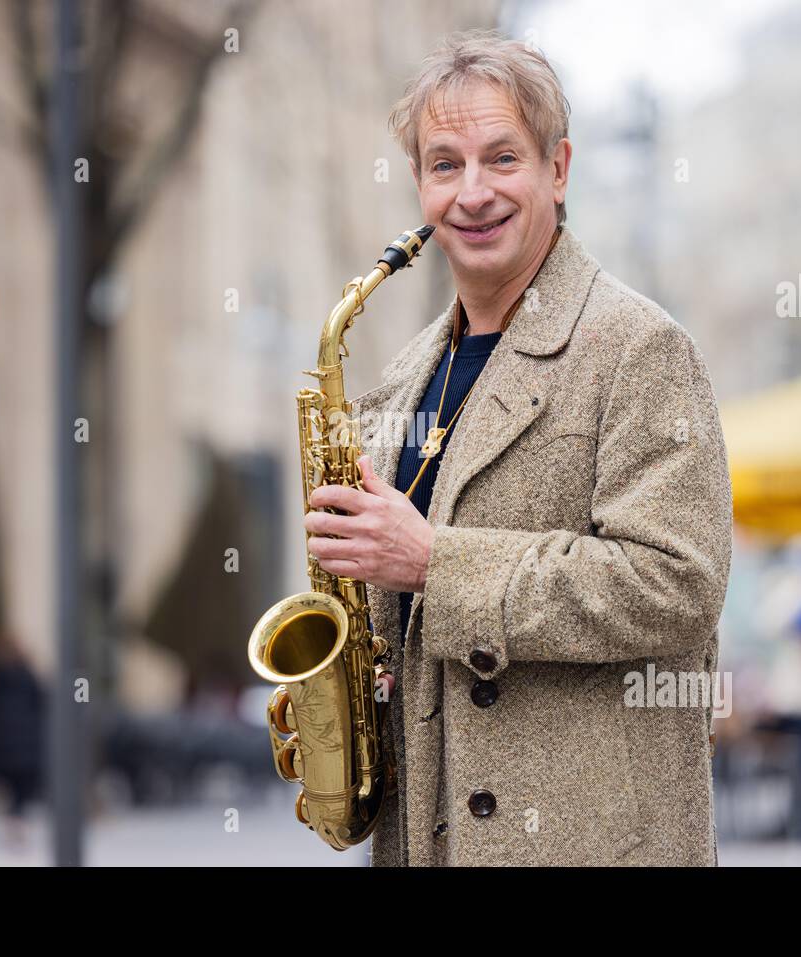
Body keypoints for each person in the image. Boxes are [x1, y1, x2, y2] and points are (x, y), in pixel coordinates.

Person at [303, 31, 733, 866]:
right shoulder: (396, 382)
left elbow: (679, 584)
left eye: (502, 158)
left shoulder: (640, 348)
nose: (472, 193)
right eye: (444, 164)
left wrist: (435, 561)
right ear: (420, 187)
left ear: (558, 169)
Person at [0, 631, 46, 848]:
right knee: (21, 788)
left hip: (5, 743)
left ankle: (13, 823)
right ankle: (17, 824)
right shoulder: (27, 675)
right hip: (24, 741)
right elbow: (41, 703)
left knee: (10, 788)